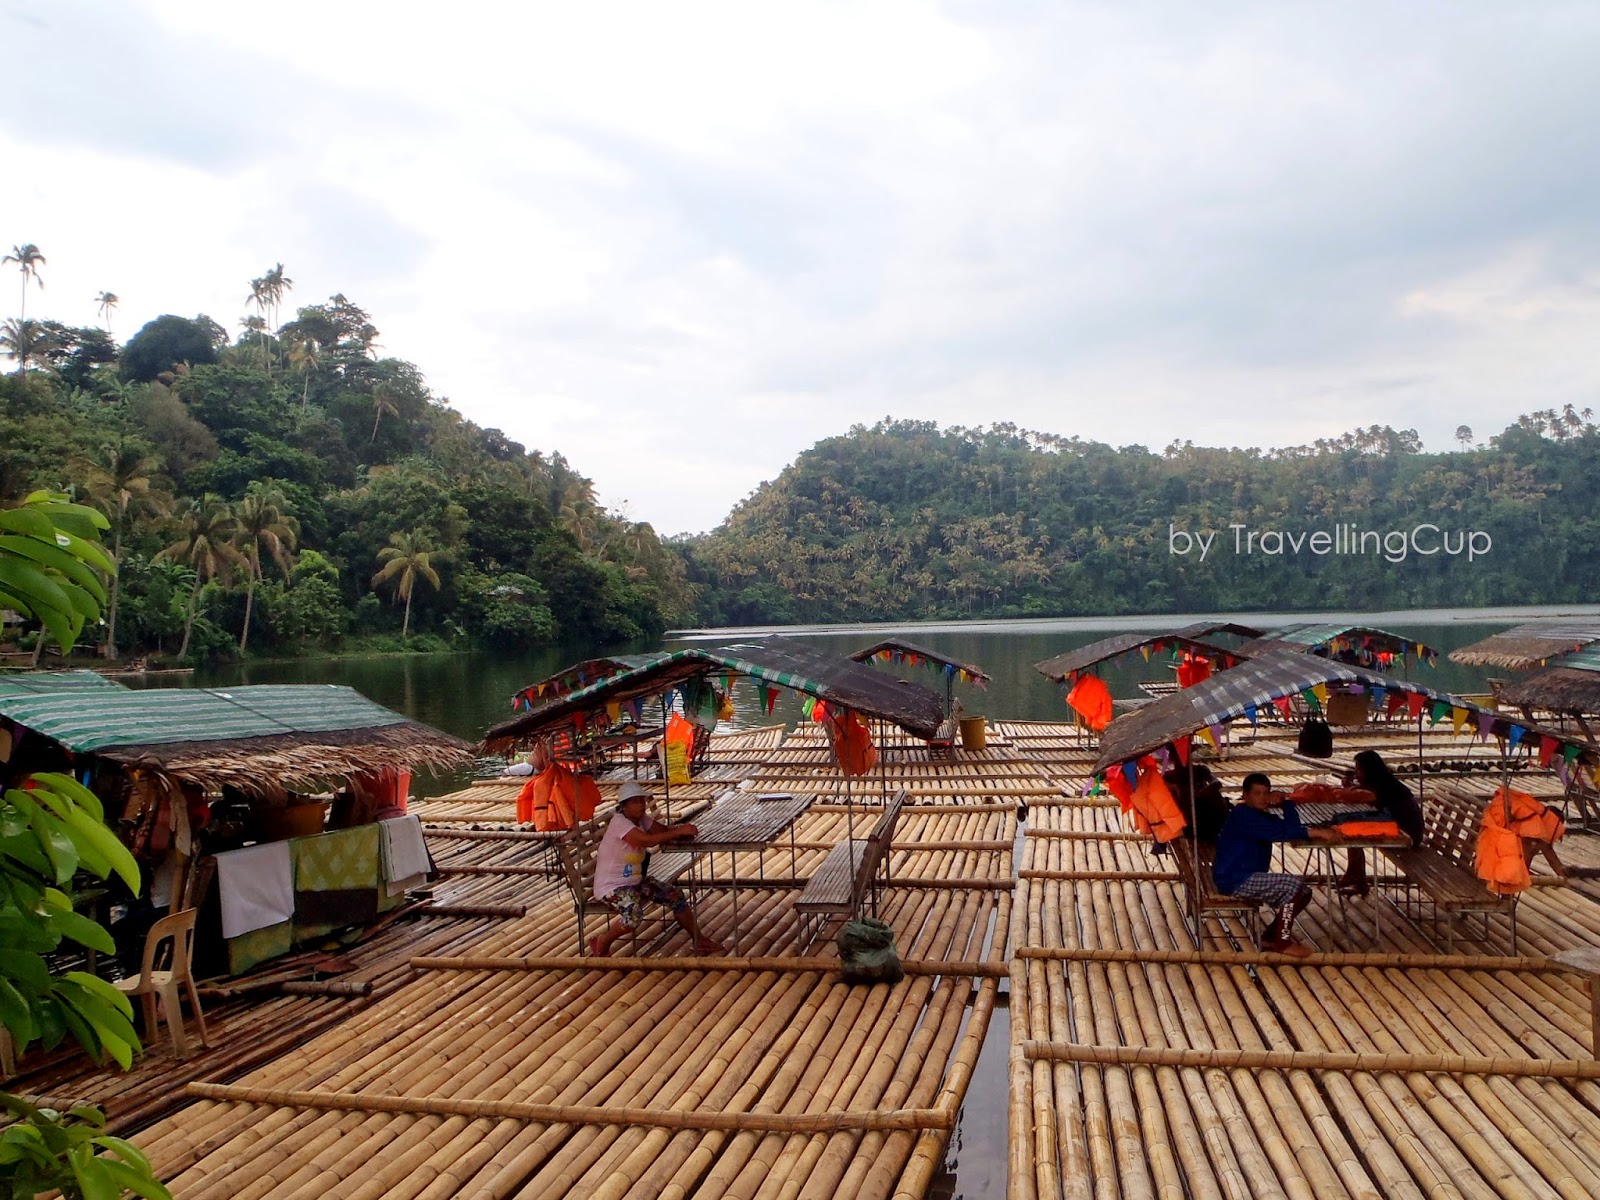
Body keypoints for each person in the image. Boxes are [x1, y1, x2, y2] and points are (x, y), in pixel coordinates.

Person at [589, 781, 723, 956]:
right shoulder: (620, 823)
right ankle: (603, 940)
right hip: (612, 886)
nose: (641, 805)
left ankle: (699, 940)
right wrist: (677, 832)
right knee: (633, 915)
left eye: (642, 801)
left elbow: (661, 830)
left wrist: (679, 833)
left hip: (635, 881)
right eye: (635, 802)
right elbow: (646, 840)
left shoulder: (640, 819)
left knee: (676, 897)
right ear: (624, 806)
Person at [1213, 772, 1336, 957]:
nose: (1263, 798)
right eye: (1257, 793)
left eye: (1266, 793)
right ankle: (1283, 942)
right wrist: (1319, 832)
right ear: (1245, 795)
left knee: (1304, 892)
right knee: (1292, 886)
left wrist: (1286, 802)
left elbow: (1290, 827)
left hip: (1243, 875)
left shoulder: (1258, 814)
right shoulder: (1244, 816)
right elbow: (1291, 832)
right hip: (1235, 879)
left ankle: (1271, 937)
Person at [1336, 749, 1425, 896]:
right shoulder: (1383, 781)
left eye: (1358, 769)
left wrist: (1347, 789)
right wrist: (1352, 787)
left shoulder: (1381, 787)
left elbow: (1357, 797)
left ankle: (1356, 876)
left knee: (1353, 831)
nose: (1357, 773)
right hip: (1400, 828)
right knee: (1353, 829)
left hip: (1407, 835)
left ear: (1367, 770)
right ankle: (1357, 878)